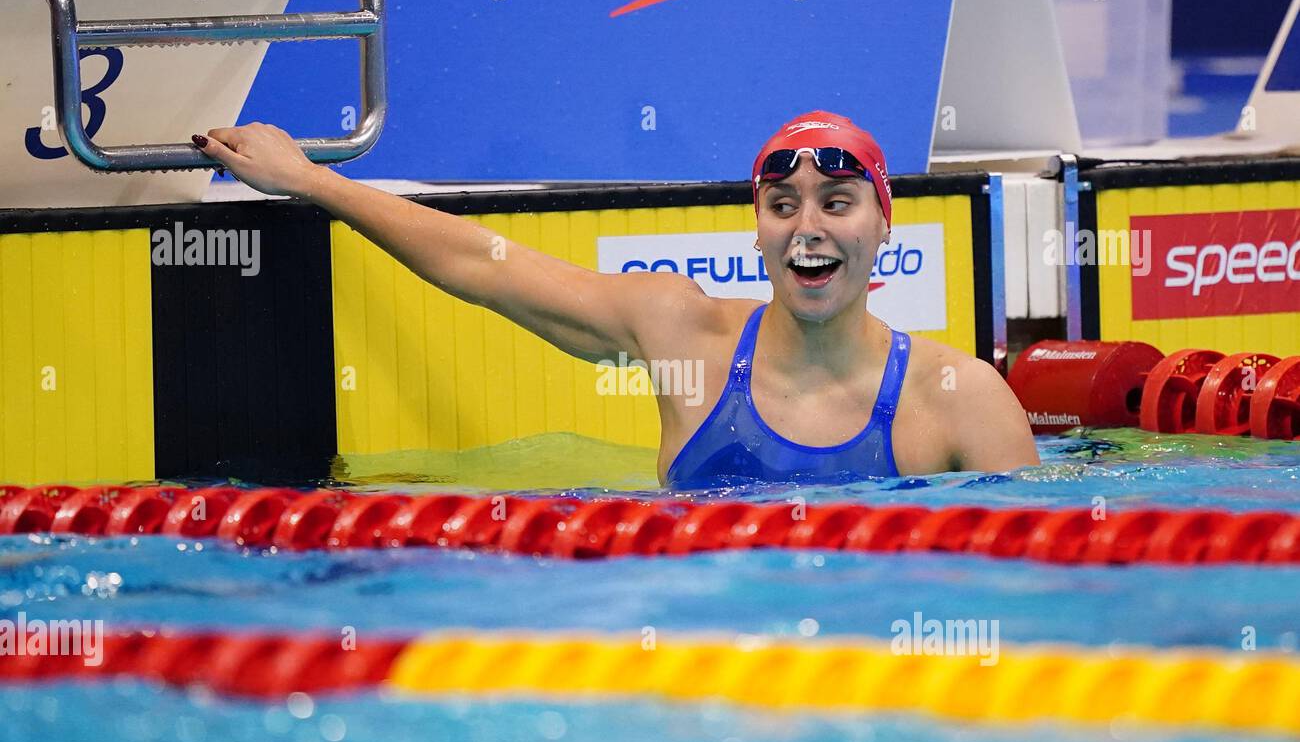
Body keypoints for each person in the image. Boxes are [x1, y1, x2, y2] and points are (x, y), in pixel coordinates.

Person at [192, 110, 1039, 488]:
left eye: (837, 204)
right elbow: (484, 265)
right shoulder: (684, 336)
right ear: (757, 232)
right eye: (782, 207)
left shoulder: (959, 402)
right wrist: (310, 182)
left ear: (883, 228)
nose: (807, 228)